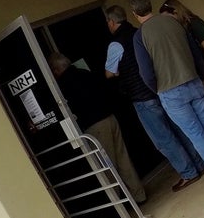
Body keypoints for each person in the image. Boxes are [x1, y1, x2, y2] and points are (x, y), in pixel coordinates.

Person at [130, 0, 204, 192]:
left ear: (134, 12)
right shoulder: (173, 21)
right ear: (150, 4)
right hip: (193, 81)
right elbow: (193, 51)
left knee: (196, 134)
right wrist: (200, 76)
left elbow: (145, 72)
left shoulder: (140, 36)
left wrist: (157, 89)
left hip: (170, 91)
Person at [105, 5, 204, 193]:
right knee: (180, 128)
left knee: (164, 139)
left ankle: (188, 172)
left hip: (142, 97)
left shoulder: (115, 45)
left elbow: (109, 73)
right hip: (161, 88)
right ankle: (200, 163)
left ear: (111, 22)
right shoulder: (140, 33)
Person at [48, 52, 147, 203]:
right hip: (109, 118)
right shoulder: (84, 73)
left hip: (95, 126)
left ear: (56, 70)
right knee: (123, 159)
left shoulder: (62, 86)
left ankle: (119, 205)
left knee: (106, 166)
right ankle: (139, 195)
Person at [157, 0, 204, 131]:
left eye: (168, 18)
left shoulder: (193, 23)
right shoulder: (181, 29)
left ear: (175, 12)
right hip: (202, 79)